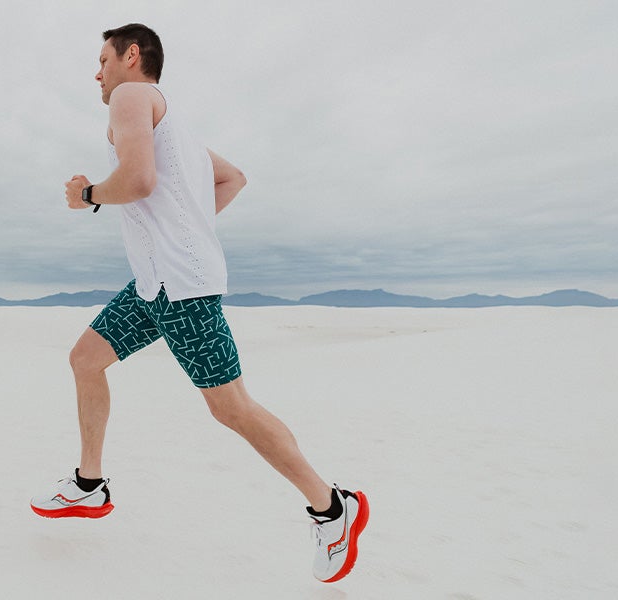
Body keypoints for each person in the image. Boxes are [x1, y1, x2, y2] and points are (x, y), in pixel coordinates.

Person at [30, 23, 369, 583]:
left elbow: (137, 181)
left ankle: (333, 508)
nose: (98, 73)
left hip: (180, 289)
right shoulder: (179, 129)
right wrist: (185, 227)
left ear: (131, 56)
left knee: (231, 408)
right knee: (85, 359)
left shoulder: (130, 95)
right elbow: (232, 179)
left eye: (103, 60)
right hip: (151, 286)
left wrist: (87, 195)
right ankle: (89, 486)